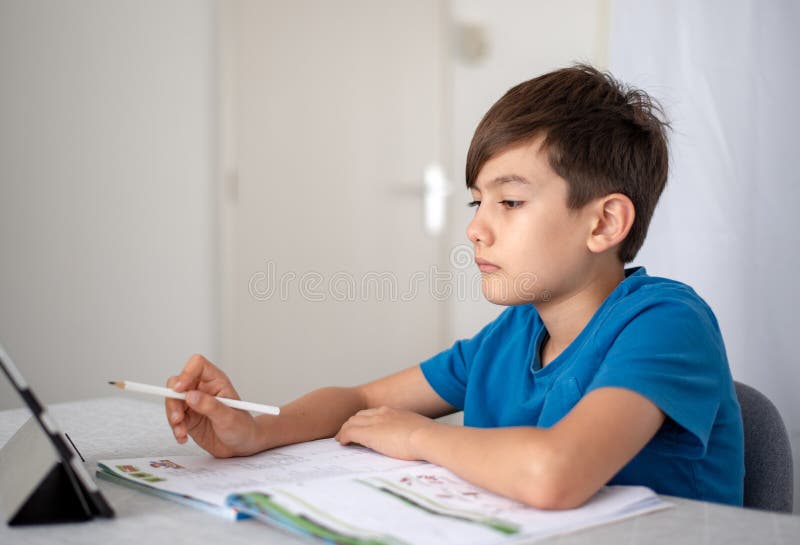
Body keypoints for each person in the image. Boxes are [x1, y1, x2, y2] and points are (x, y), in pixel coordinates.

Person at [165, 64, 744, 510]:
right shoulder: (515, 333)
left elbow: (555, 474)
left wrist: (420, 438)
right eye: (477, 202)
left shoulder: (667, 323)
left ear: (604, 223)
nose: (475, 229)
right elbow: (365, 401)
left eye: (510, 202)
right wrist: (257, 429)